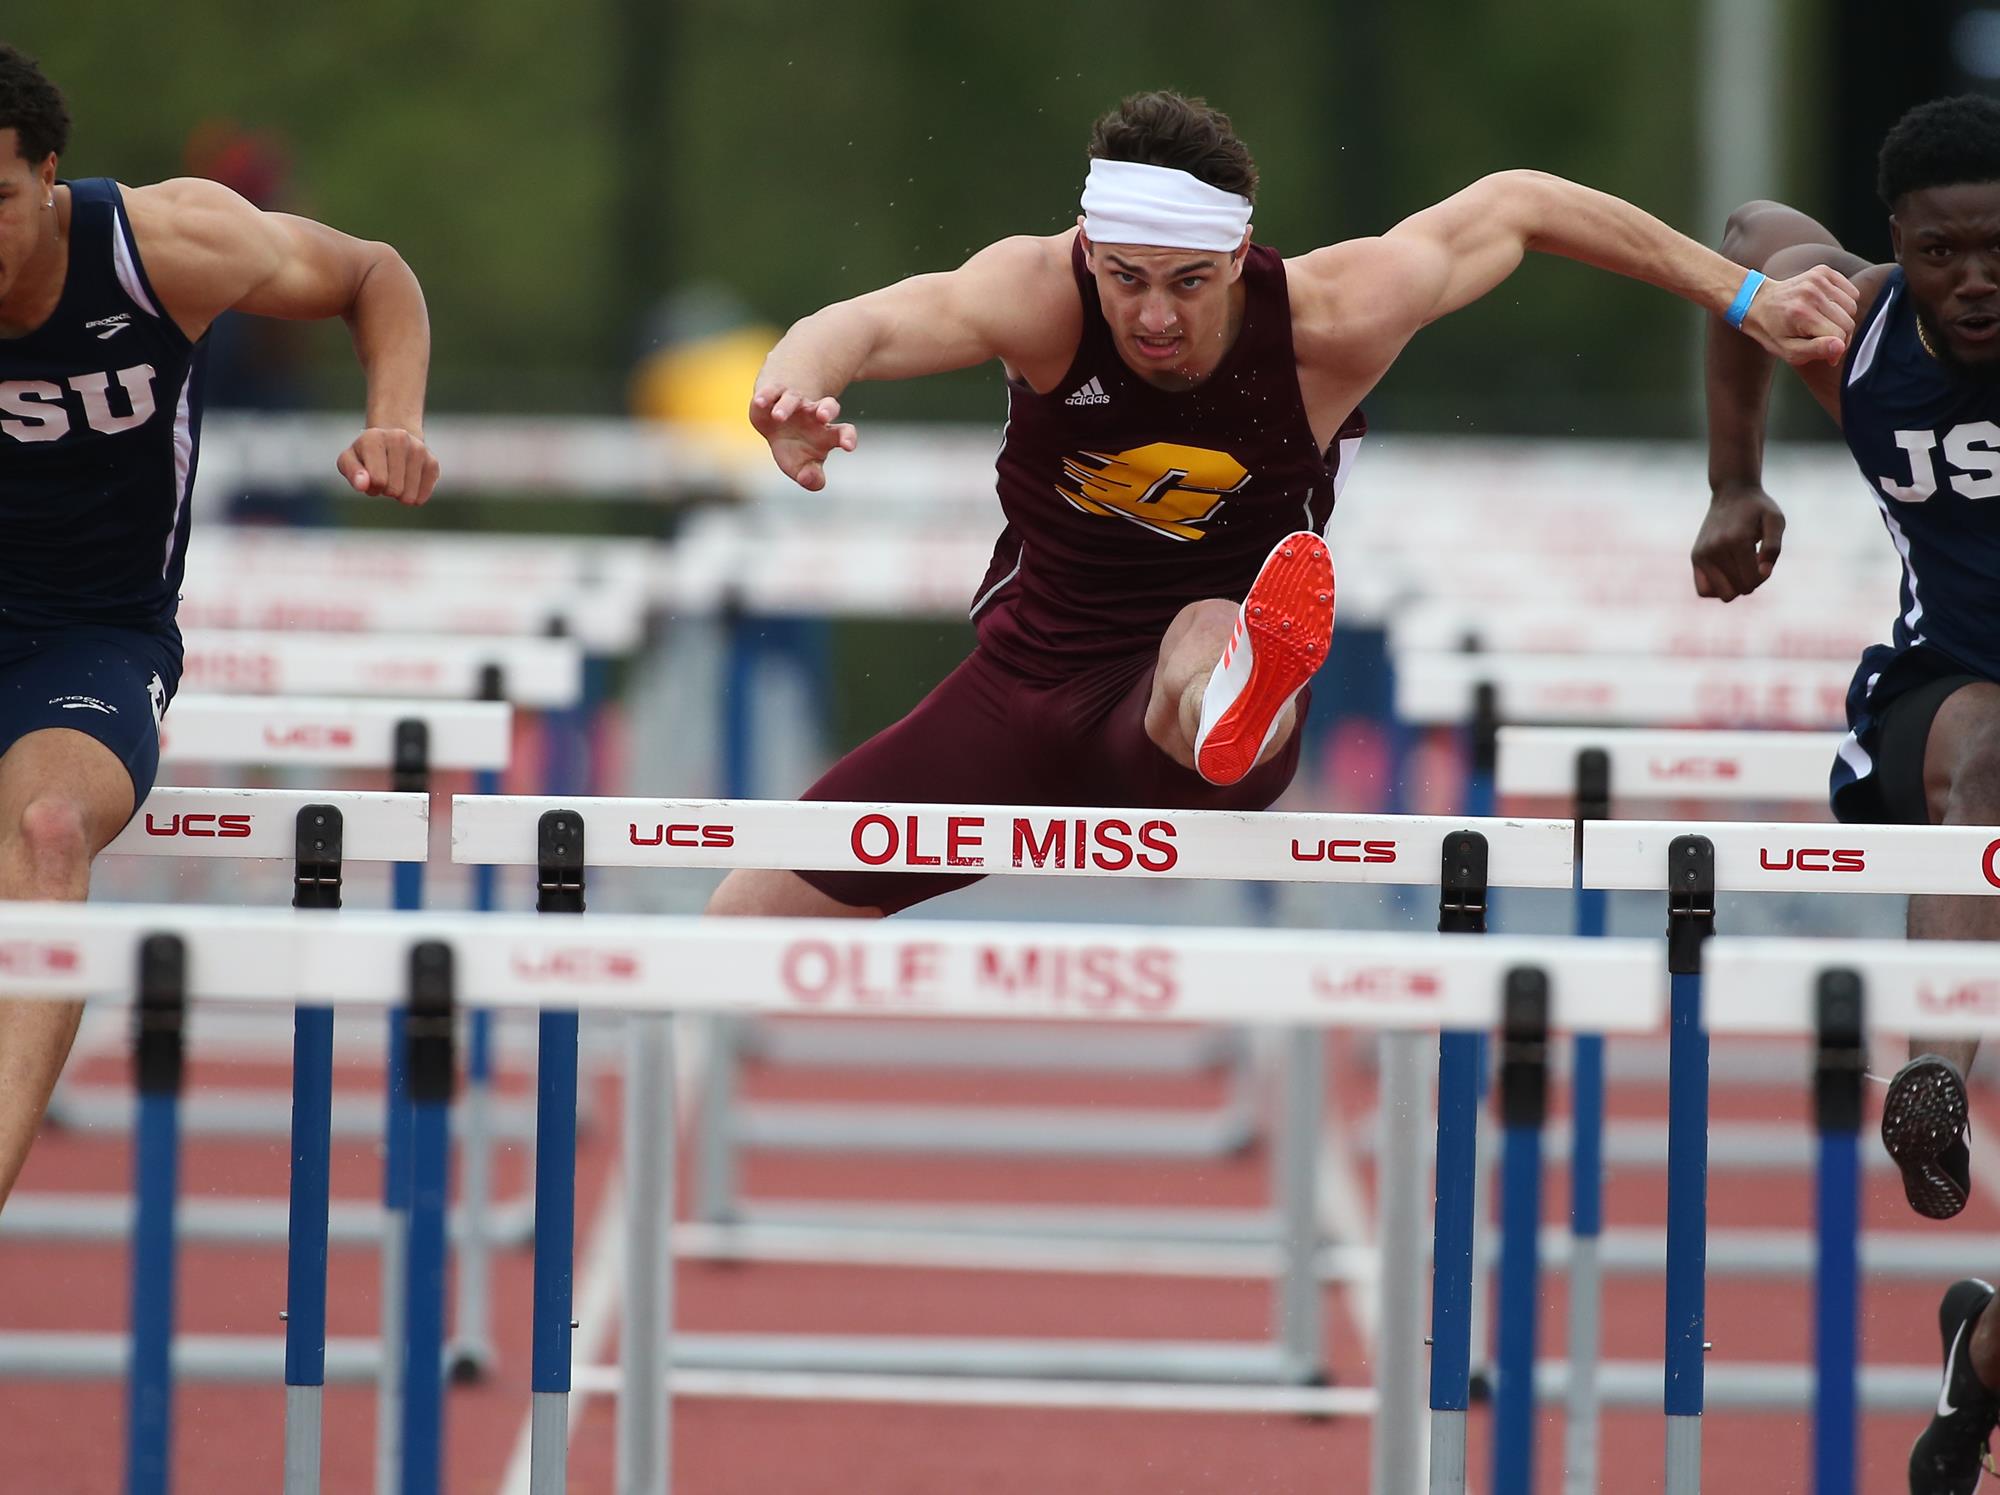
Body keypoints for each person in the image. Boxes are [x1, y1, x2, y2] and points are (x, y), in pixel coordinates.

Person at [718, 88, 1852, 924]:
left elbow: (1521, 205)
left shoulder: (1327, 319)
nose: (1151, 315)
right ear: (1090, 251)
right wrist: (791, 392)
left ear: (1240, 254)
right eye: (1125, 278)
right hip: (1013, 694)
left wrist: (1741, 291)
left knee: (1204, 634)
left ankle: (1241, 694)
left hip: (1185, 717)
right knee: (733, 926)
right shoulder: (1037, 290)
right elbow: (863, 320)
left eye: (1187, 283)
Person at [0, 44, 438, 1210]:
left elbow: (372, 272)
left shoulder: (162, 247)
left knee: (48, 828)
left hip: (87, 634)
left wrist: (392, 420)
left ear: (46, 179)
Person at [1691, 92, 2000, 1492]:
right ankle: (1935, 1063)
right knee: (1996, 742)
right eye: (1944, 251)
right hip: (1937, 714)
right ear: (1897, 245)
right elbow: (1740, 248)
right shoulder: (1854, 324)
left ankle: (1977, 1369)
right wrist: (1734, 480)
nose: (1976, 281)